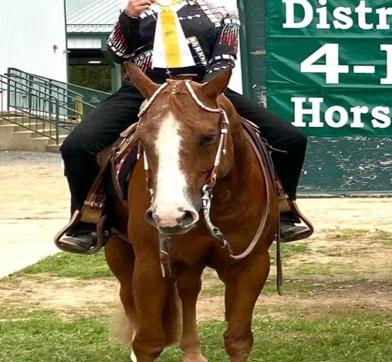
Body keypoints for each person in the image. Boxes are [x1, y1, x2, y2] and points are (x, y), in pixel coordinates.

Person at [56, 0, 310, 254]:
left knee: (290, 139)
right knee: (77, 146)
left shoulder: (221, 11)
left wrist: (199, 95)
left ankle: (283, 210)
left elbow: (224, 59)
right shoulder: (135, 8)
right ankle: (87, 220)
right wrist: (129, 16)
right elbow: (116, 54)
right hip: (144, 90)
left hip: (205, 91)